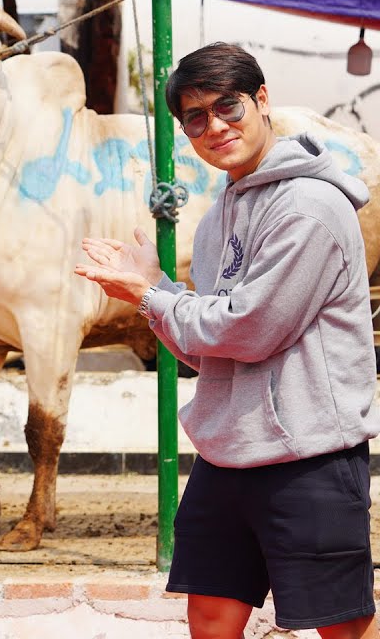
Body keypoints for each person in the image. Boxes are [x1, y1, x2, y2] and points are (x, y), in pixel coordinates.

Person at [74, 42, 379, 639]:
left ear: (262, 101)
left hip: (307, 455)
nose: (214, 127)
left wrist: (149, 295)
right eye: (195, 117)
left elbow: (249, 329)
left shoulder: (310, 207)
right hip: (226, 452)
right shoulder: (219, 215)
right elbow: (209, 352)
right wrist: (157, 289)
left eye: (228, 107)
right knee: (211, 620)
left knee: (343, 626)